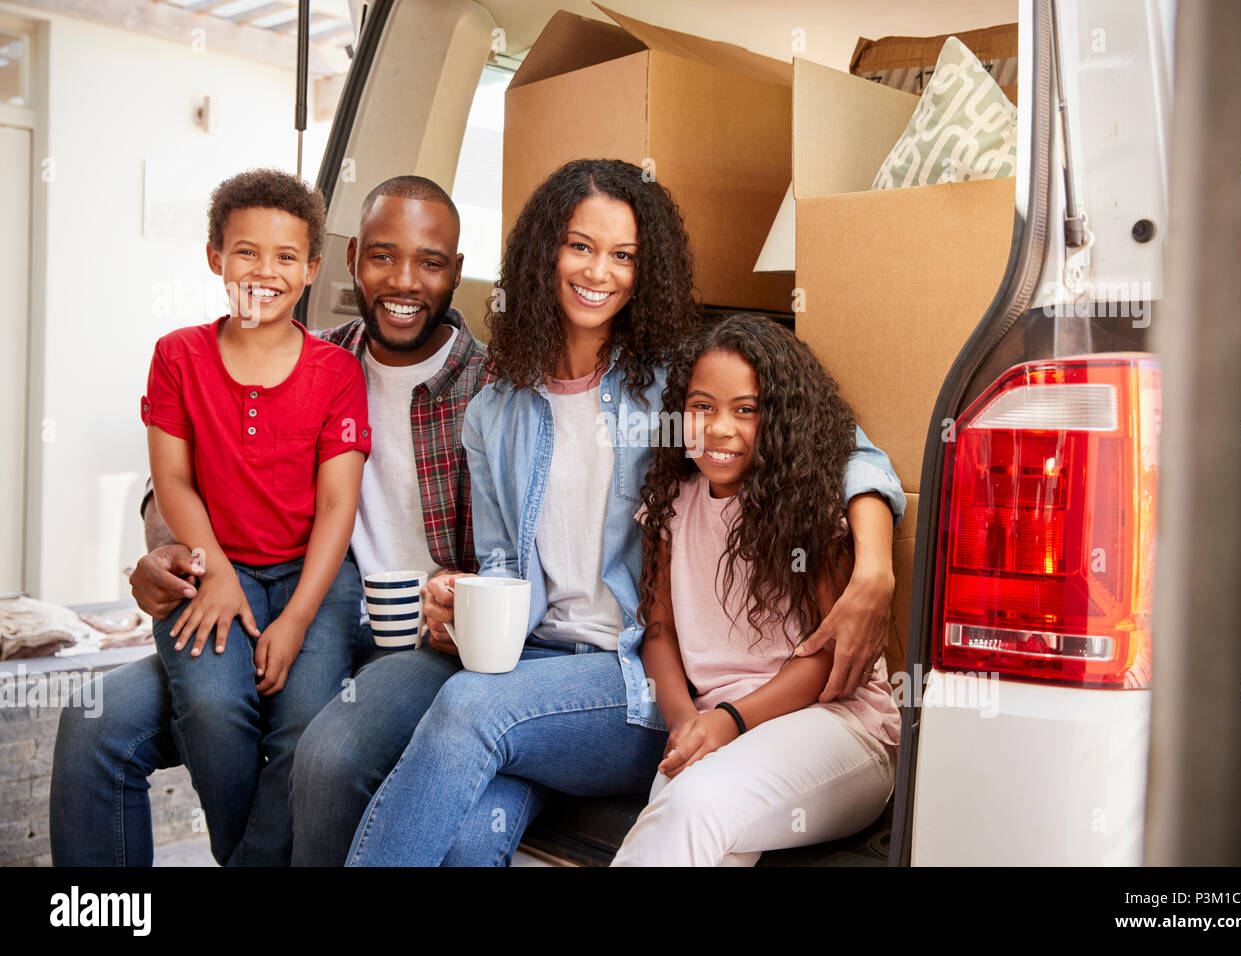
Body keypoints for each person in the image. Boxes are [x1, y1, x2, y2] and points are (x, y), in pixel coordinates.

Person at [344, 158, 905, 866]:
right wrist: (460, 600)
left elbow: (849, 450)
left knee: (468, 709)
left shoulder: (683, 381)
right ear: (545, 252)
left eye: (624, 256)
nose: (598, 272)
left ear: (648, 271)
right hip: (534, 665)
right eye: (580, 246)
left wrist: (876, 571)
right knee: (464, 835)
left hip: (630, 678)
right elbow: (500, 563)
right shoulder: (493, 410)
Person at [49, 175, 488, 866]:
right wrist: (170, 557)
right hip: (251, 595)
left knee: (320, 747)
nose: (404, 280)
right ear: (347, 263)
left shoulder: (491, 392)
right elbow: (180, 481)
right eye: (381, 256)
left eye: (429, 262)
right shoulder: (322, 351)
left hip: (401, 645)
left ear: (455, 274)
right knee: (93, 722)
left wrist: (465, 597)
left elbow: (516, 556)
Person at [609, 314, 900, 866]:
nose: (720, 428)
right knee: (701, 838)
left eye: (746, 410)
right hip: (714, 730)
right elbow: (660, 629)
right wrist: (684, 724)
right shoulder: (672, 504)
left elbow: (828, 658)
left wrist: (729, 721)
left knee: (695, 806)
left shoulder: (811, 508)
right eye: (702, 406)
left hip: (838, 728)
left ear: (781, 420)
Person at [140, 168, 369, 865]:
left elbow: (339, 503)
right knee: (212, 709)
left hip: (315, 580)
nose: (264, 272)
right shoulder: (177, 356)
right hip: (214, 567)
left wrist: (297, 616)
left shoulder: (337, 373)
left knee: (304, 724)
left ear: (311, 269)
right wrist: (214, 574)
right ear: (215, 257)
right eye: (246, 251)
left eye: (285, 256)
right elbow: (172, 479)